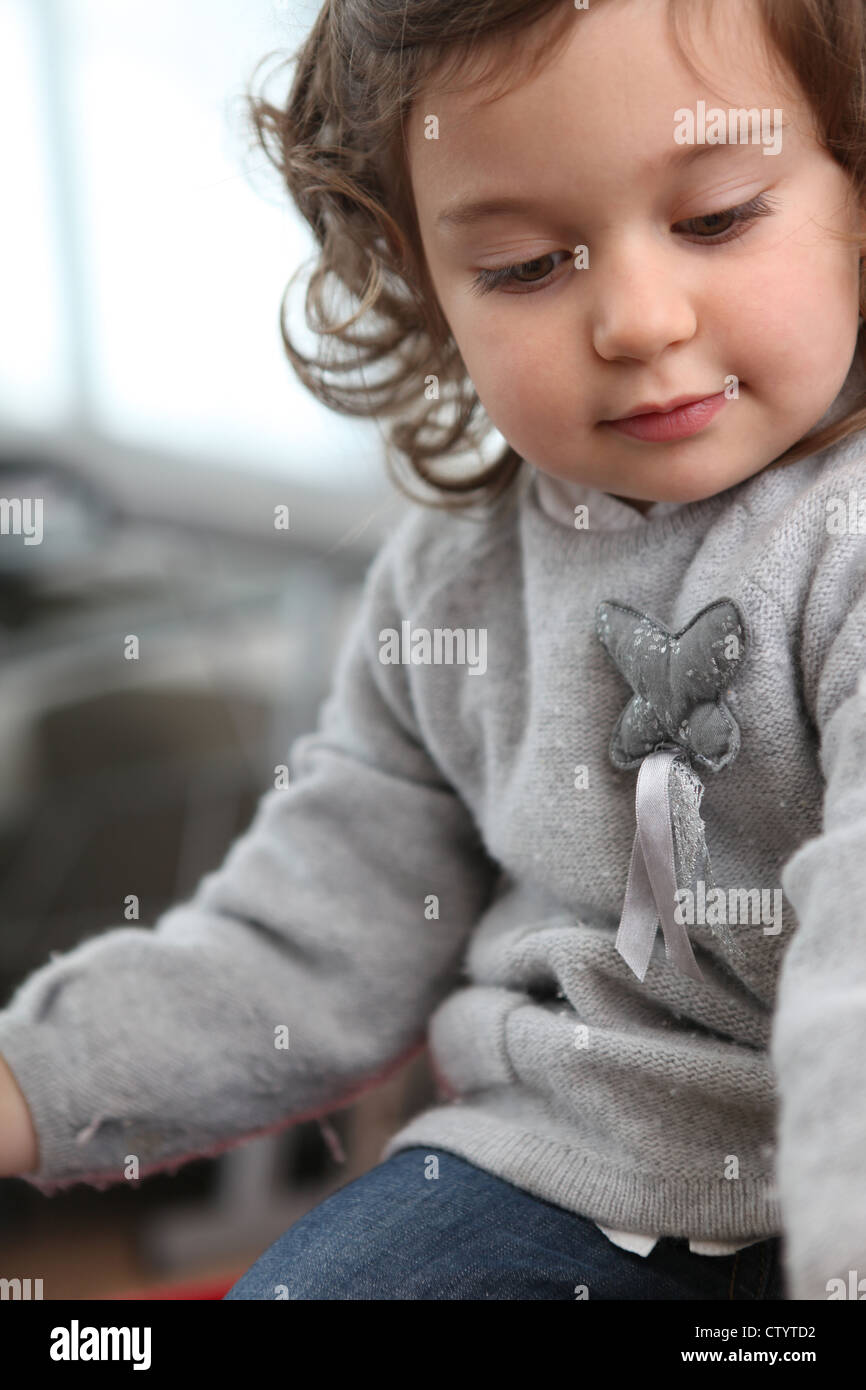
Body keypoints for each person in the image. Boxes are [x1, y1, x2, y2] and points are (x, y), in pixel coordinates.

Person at [2, 0, 866, 1301]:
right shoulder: (449, 579)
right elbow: (304, 939)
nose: (636, 318)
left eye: (716, 218)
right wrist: (28, 1080)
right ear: (423, 286)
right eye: (525, 265)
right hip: (558, 1168)